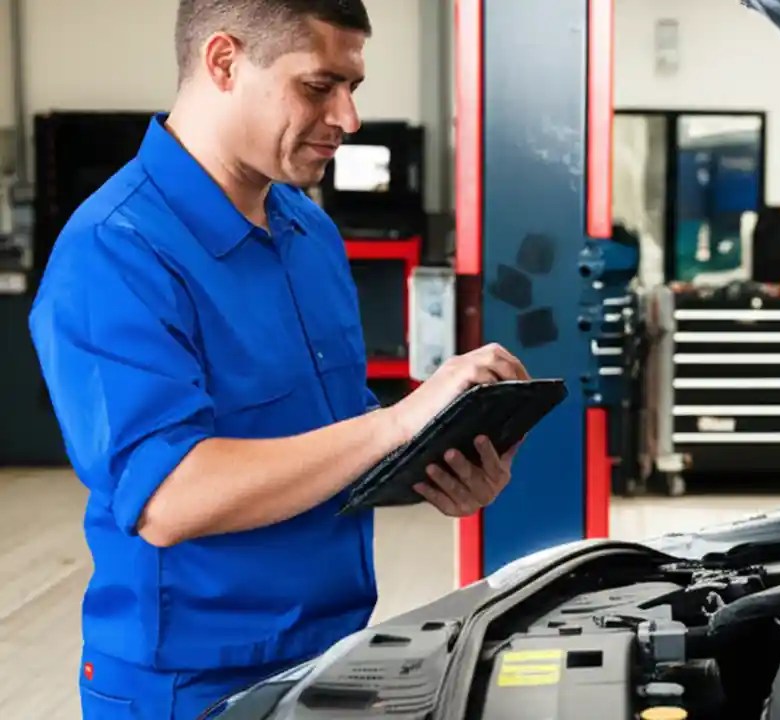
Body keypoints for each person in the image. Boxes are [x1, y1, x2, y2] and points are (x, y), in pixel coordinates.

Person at [27, 1, 529, 717]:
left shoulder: (308, 229)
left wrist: (436, 460)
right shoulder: (115, 251)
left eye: (354, 87)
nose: (348, 118)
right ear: (224, 61)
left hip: (336, 650)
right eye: (319, 86)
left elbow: (332, 438)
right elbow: (169, 498)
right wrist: (398, 422)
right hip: (192, 684)